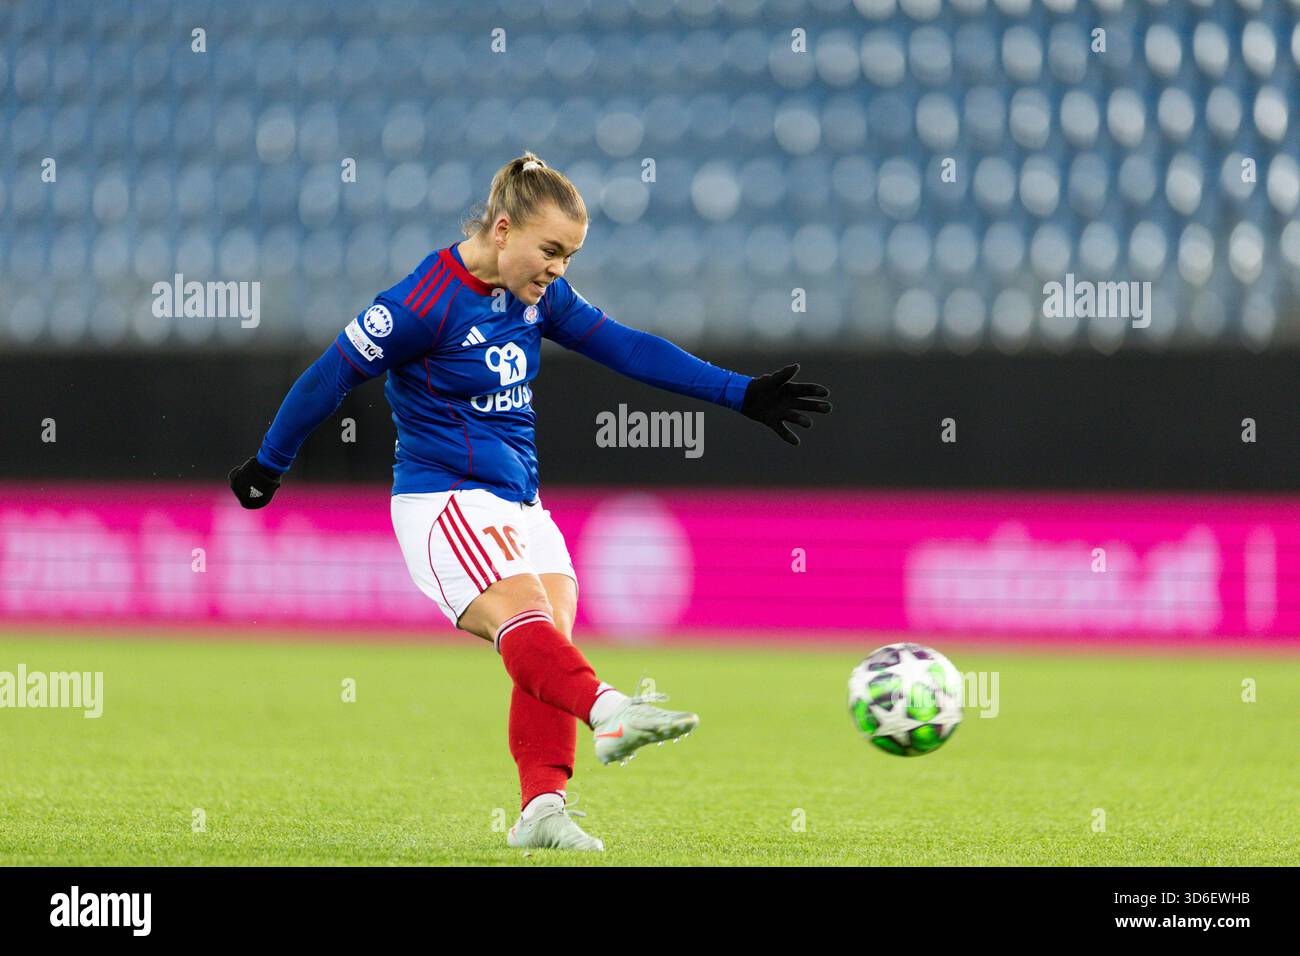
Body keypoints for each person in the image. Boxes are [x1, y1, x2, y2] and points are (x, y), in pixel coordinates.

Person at [228, 151, 832, 851]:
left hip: (520, 501)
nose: (558, 271)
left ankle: (542, 808)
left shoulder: (536, 299)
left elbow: (628, 349)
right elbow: (328, 376)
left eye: (570, 258)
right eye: (551, 251)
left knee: (549, 637)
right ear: (504, 228)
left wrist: (740, 393)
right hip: (444, 497)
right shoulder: (419, 305)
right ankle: (612, 711)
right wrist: (269, 466)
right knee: (527, 619)